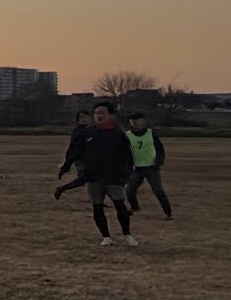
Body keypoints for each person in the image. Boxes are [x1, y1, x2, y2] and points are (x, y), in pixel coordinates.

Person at [80, 102, 137, 247]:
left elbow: (128, 157)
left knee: (120, 206)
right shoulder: (87, 133)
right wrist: (83, 171)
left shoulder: (118, 134)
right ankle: (106, 237)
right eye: (96, 113)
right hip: (94, 178)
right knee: (97, 206)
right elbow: (79, 153)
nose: (98, 116)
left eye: (102, 113)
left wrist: (125, 176)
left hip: (114, 178)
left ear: (111, 115)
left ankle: (127, 235)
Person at [125, 113, 172, 220]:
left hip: (152, 167)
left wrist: (159, 160)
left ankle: (168, 212)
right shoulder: (128, 135)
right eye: (132, 120)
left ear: (143, 121)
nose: (135, 122)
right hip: (137, 168)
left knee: (157, 190)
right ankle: (134, 207)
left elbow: (160, 148)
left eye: (138, 120)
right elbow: (125, 151)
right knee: (129, 190)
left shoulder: (151, 133)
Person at [54, 110, 93, 200]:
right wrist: (67, 164)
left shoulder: (90, 130)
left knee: (91, 179)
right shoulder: (78, 131)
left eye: (87, 117)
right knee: (85, 178)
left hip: (90, 159)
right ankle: (61, 189)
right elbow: (73, 148)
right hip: (82, 160)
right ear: (79, 119)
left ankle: (97, 200)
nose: (86, 119)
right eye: (83, 117)